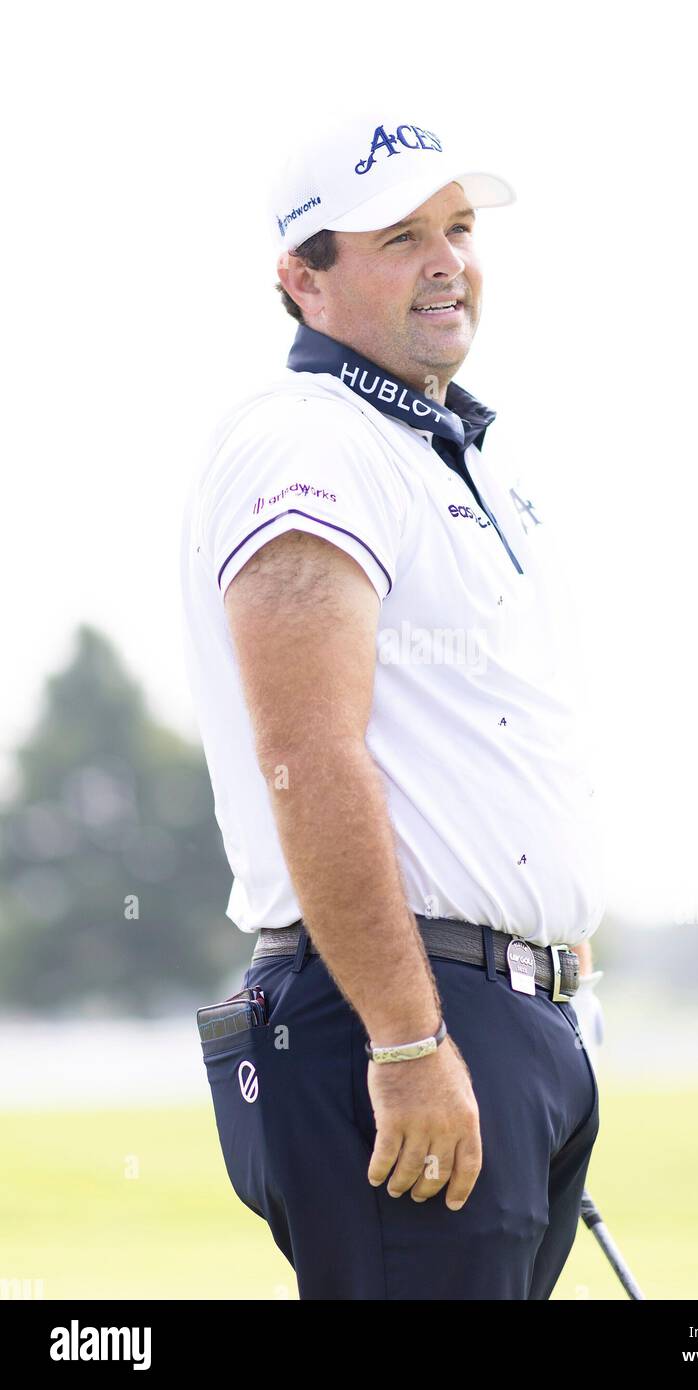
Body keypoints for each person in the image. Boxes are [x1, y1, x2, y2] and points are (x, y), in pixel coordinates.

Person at [179, 109, 607, 1300]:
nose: (448, 261)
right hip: (400, 1012)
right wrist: (410, 1039)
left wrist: (553, 1001)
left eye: (459, 228)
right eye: (401, 236)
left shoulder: (446, 452)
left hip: (501, 1019)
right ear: (302, 279)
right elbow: (308, 752)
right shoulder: (305, 439)